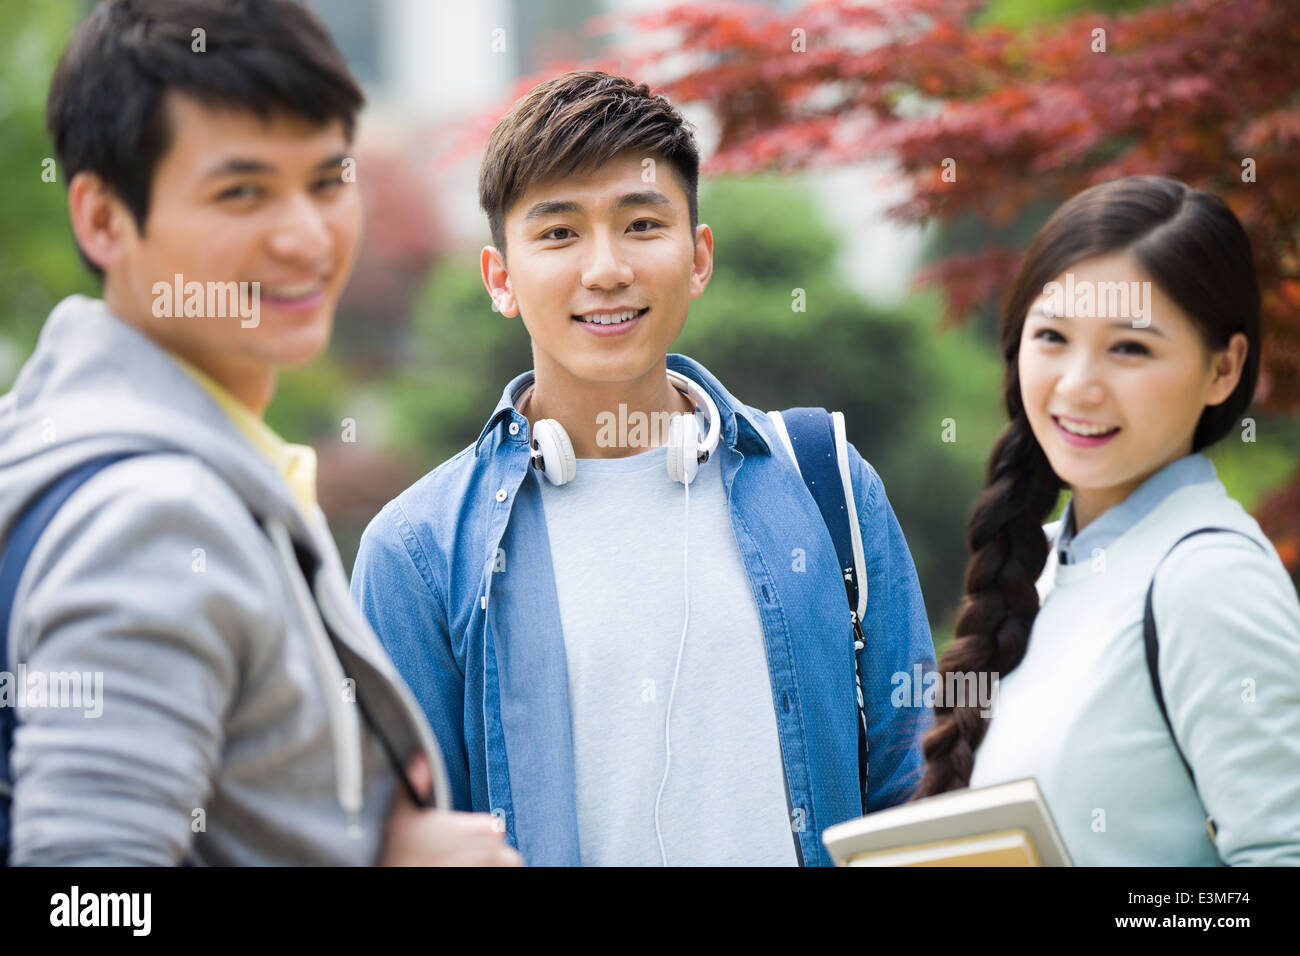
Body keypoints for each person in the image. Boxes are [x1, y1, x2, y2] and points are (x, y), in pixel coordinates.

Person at [351, 69, 936, 867]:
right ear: (500, 279)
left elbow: (918, 785)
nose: (606, 269)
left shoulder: (823, 481)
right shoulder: (417, 552)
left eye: (640, 224)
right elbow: (403, 841)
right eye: (558, 233)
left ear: (698, 259)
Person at [0, 0, 519, 866]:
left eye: (326, 181)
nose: (306, 236)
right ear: (100, 219)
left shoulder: (88, 447)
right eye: (241, 191)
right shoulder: (158, 520)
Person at [916, 175, 1300, 865]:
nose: (1078, 385)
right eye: (1053, 337)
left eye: (1130, 348)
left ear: (1224, 368)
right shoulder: (1040, 568)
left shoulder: (1209, 579)